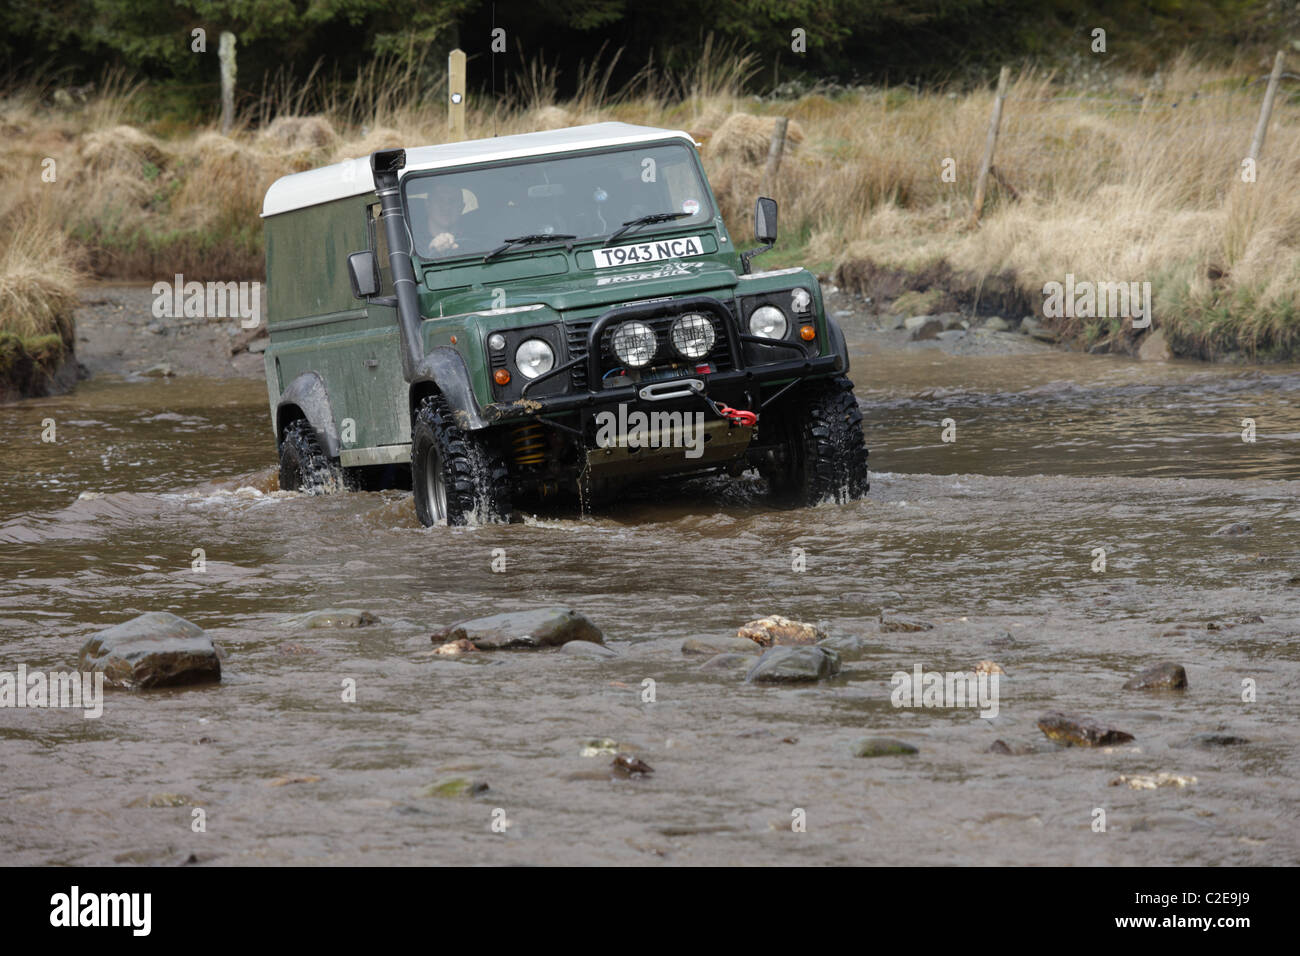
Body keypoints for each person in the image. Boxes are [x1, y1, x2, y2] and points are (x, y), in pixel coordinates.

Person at [423, 180, 465, 254]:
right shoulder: (411, 243)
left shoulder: (476, 237)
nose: (446, 207)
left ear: (462, 207)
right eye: (440, 200)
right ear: (428, 205)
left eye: (452, 201)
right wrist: (431, 251)